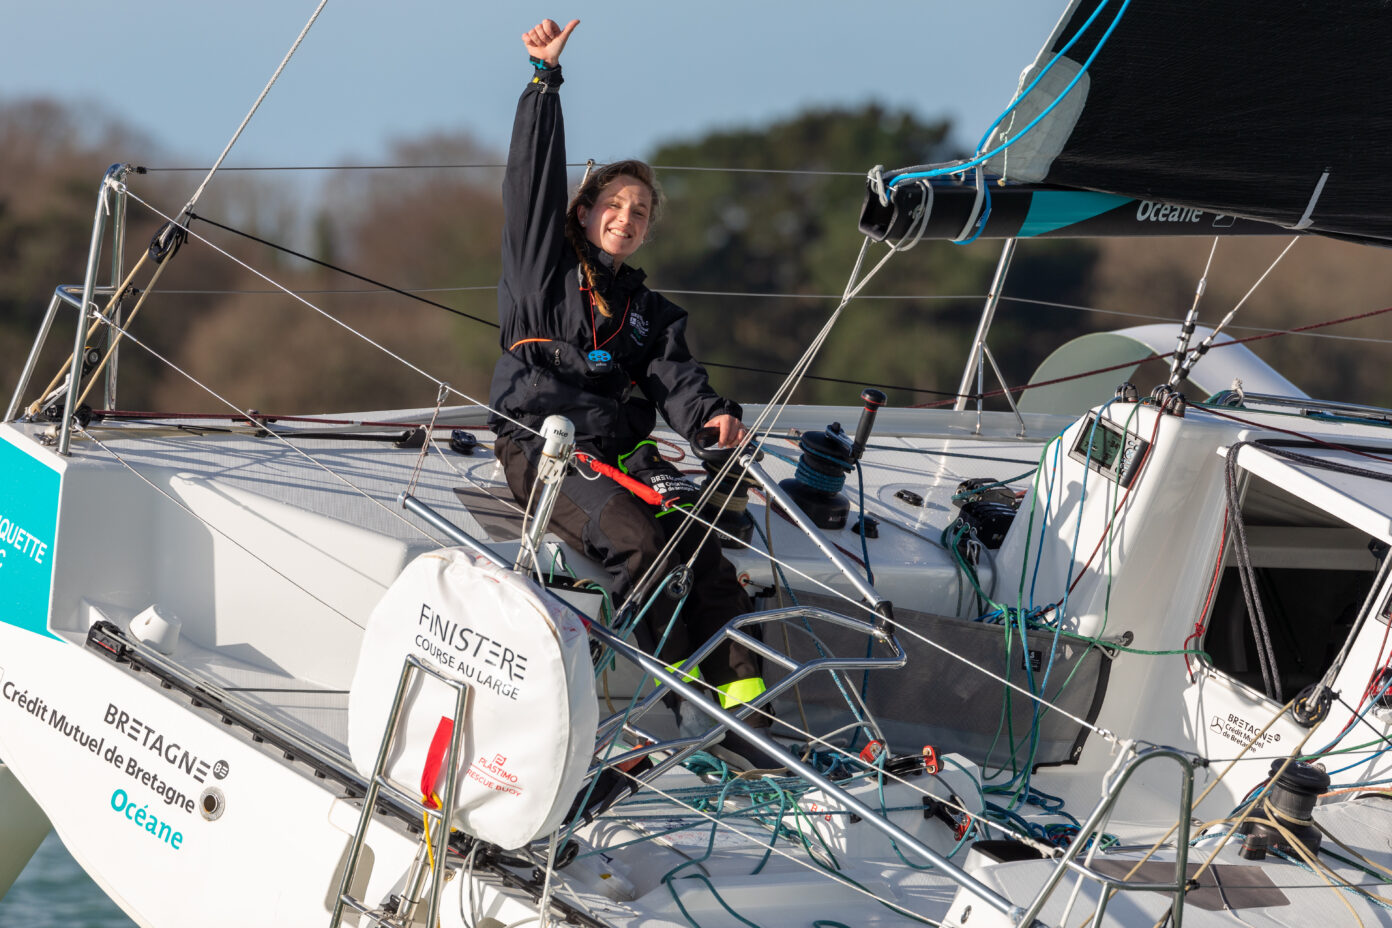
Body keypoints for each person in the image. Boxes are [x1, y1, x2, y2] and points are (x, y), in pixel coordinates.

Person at [488, 18, 775, 761]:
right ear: (584, 212)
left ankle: (748, 720)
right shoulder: (540, 269)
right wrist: (542, 82)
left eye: (639, 212)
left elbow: (678, 380)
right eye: (613, 204)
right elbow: (530, 175)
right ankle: (677, 696)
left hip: (625, 456)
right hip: (544, 450)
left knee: (706, 554)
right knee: (642, 545)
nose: (626, 217)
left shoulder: (650, 312)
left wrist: (711, 418)